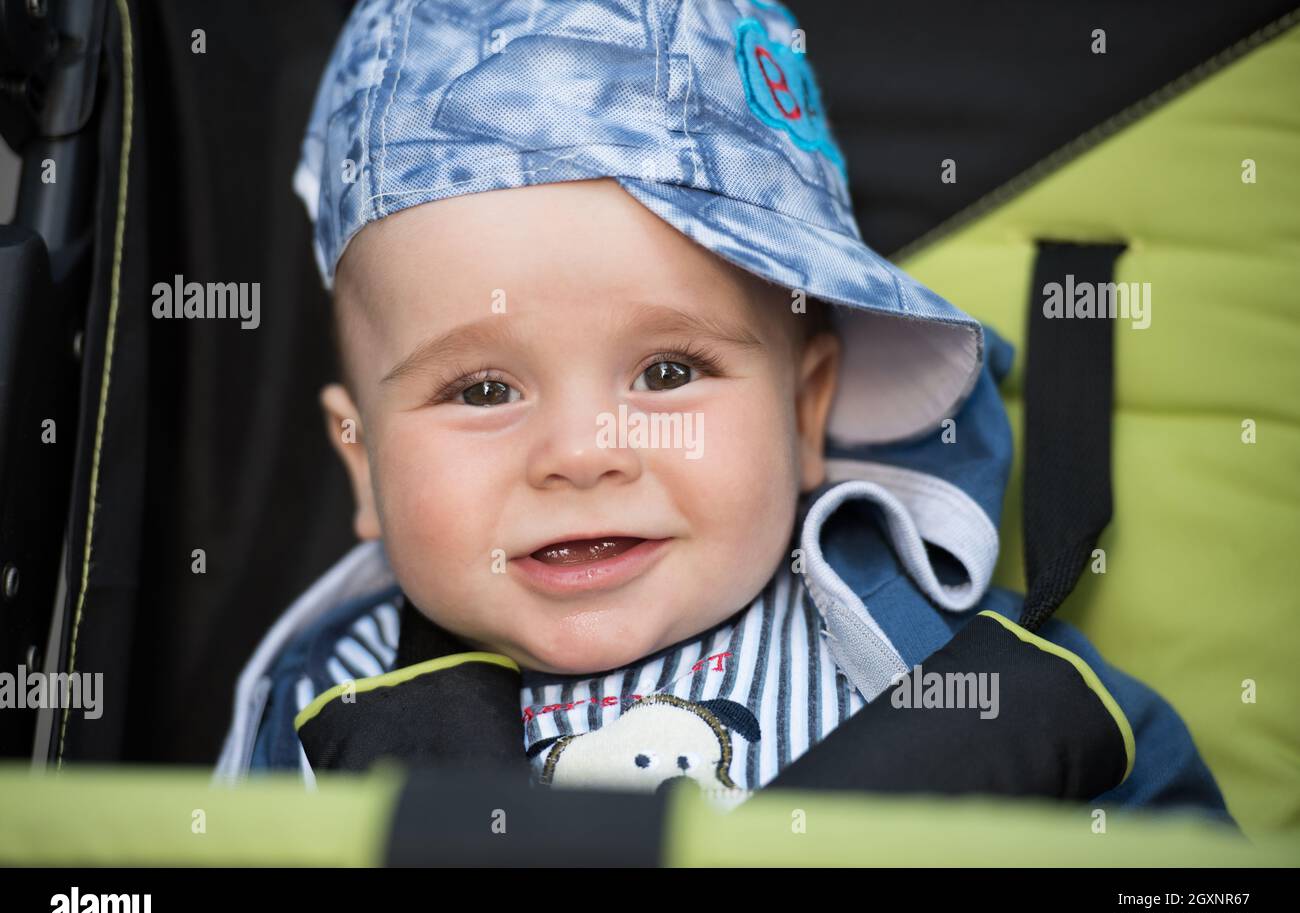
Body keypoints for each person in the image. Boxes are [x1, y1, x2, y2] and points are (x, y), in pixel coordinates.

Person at [216, 0, 1231, 822]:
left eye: (665, 373)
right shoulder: (323, 710)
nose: (582, 453)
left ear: (804, 414)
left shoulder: (945, 665)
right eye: (482, 391)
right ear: (362, 464)